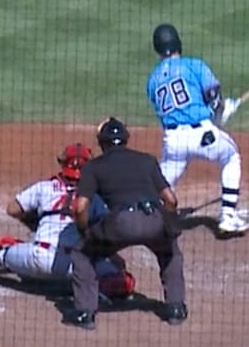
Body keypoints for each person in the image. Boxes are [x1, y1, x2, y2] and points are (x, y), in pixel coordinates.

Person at [0, 143, 137, 300]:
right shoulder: (94, 196)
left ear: (63, 164)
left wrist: (34, 222)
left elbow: (13, 209)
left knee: (1, 248)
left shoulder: (45, 187)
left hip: (37, 258)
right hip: (73, 266)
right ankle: (91, 286)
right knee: (123, 279)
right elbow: (104, 231)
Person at [63, 117, 185, 330]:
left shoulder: (93, 167)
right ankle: (176, 308)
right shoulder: (147, 160)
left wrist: (85, 232)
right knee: (170, 252)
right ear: (126, 140)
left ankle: (85, 313)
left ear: (102, 143)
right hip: (154, 219)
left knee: (82, 253)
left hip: (120, 224)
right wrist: (169, 225)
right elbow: (171, 200)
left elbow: (80, 207)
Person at [145, 23, 249, 237]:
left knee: (162, 183)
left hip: (173, 141)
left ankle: (144, 218)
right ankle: (228, 216)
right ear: (178, 44)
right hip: (202, 136)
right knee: (231, 157)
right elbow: (214, 99)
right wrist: (223, 111)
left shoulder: (152, 81)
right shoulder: (193, 65)